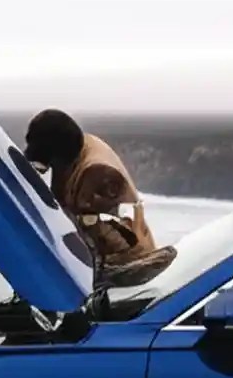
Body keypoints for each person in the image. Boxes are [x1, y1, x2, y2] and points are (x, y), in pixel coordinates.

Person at [24, 109, 176, 286]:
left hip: (126, 266)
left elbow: (101, 238)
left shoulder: (99, 174)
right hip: (107, 252)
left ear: (60, 155)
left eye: (51, 160)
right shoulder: (78, 145)